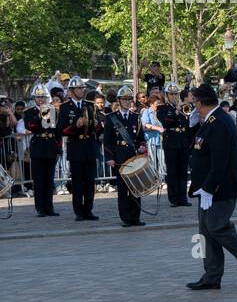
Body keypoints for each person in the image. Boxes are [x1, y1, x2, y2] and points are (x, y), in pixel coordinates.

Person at [186, 84, 237, 292]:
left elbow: (220, 161)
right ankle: (211, 274)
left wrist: (209, 188)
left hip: (219, 187)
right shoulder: (209, 120)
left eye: (194, 101)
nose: (193, 105)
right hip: (206, 187)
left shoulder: (219, 122)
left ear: (199, 102)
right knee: (205, 232)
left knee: (217, 227)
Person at [102, 85, 148, 227]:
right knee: (123, 189)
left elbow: (141, 137)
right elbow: (107, 141)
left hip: (133, 156)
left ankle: (135, 217)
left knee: (136, 187)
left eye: (129, 99)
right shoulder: (111, 118)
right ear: (119, 100)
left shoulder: (136, 117)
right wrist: (110, 158)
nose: (128, 102)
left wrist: (141, 146)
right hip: (120, 155)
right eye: (124, 99)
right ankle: (125, 217)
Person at [57, 77, 101, 220]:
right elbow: (62, 130)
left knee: (89, 181)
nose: (81, 91)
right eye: (78, 88)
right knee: (77, 182)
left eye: (82, 88)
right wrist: (75, 126)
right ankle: (78, 211)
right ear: (71, 91)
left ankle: (88, 210)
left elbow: (99, 128)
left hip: (89, 145)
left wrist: (95, 124)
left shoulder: (90, 105)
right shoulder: (65, 107)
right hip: (75, 147)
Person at [23, 86, 61, 216]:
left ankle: (49, 207)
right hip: (38, 146)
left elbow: (56, 131)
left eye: (43, 97)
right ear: (34, 98)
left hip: (50, 145)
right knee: (39, 180)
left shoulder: (52, 110)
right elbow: (31, 126)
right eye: (38, 97)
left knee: (49, 180)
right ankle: (40, 208)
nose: (40, 99)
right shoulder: (29, 111)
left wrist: (58, 149)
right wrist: (40, 116)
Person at [156, 84, 192, 207]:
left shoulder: (184, 107)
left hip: (182, 141)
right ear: (166, 95)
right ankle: (174, 198)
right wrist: (176, 111)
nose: (174, 96)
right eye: (171, 94)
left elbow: (187, 124)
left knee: (183, 170)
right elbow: (166, 122)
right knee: (172, 171)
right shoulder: (162, 108)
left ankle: (183, 197)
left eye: (176, 94)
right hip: (171, 141)